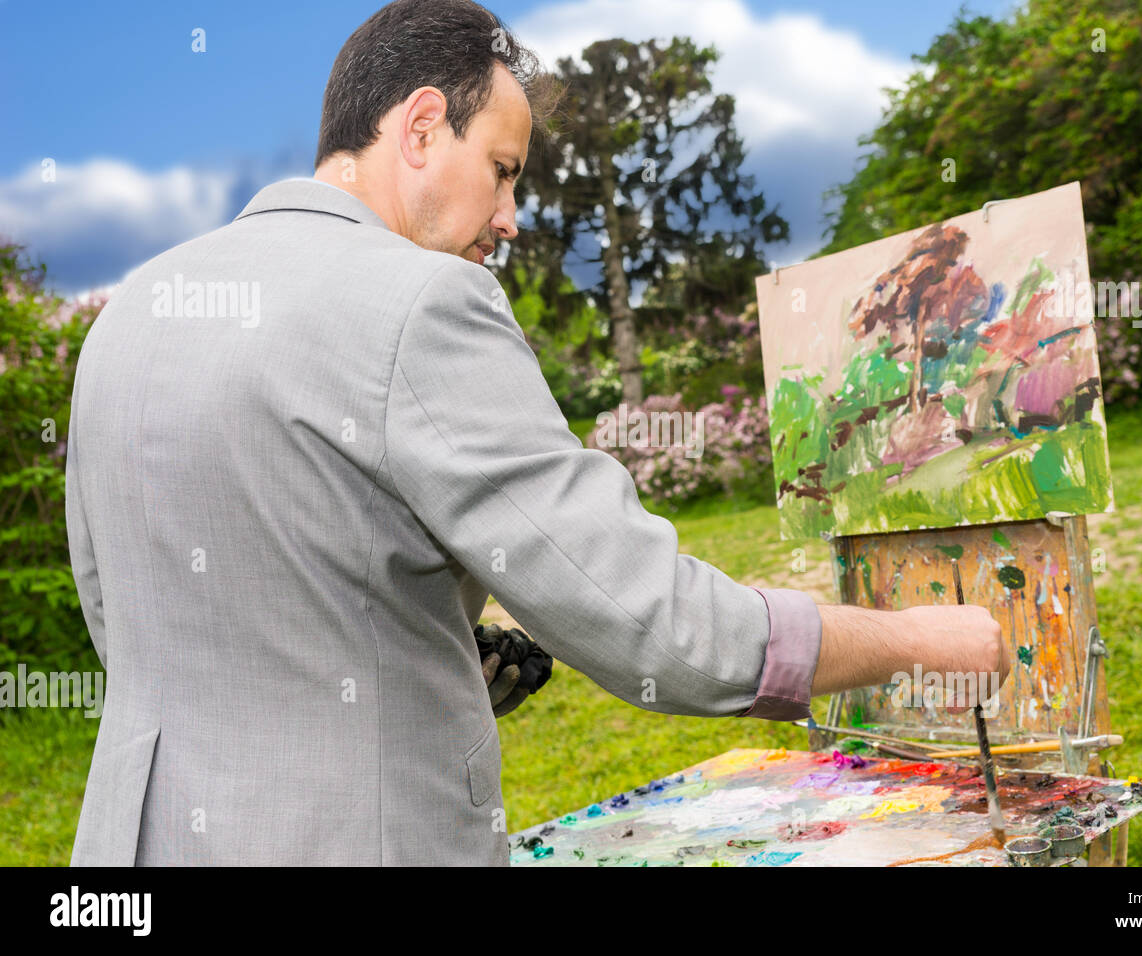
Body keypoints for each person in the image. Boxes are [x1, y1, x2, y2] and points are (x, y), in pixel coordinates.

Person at [66, 0, 1006, 867]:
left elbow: (136, 618)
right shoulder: (423, 300)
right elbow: (655, 626)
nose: (511, 220)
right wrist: (918, 634)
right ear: (422, 125)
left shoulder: (132, 312)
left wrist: (420, 651)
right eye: (504, 172)